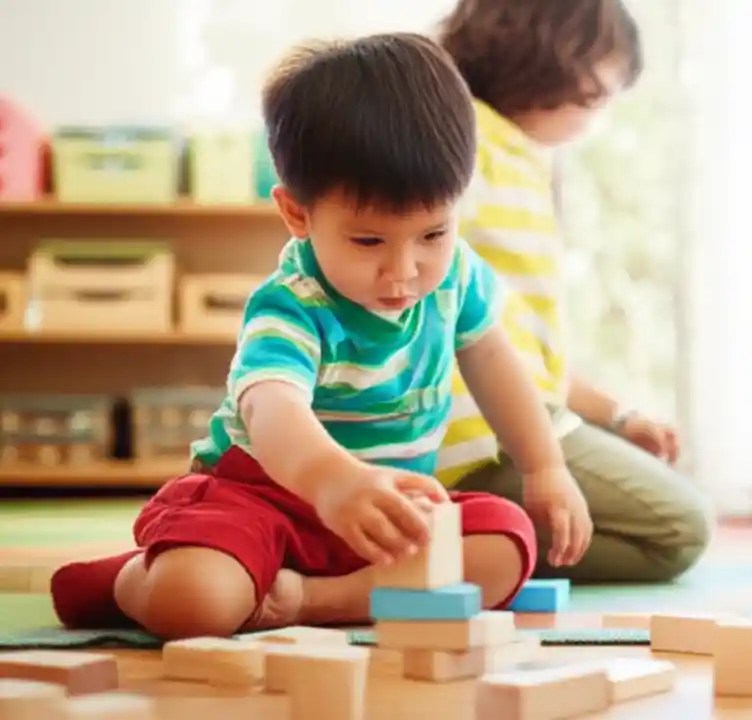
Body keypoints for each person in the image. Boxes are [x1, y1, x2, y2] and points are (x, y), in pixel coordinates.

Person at [48, 33, 590, 639]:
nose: (404, 271)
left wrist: (544, 466)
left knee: (504, 543)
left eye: (433, 234)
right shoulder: (292, 305)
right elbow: (273, 409)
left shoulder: (455, 276)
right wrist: (335, 484)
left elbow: (492, 357)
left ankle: (312, 600)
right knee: (193, 604)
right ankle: (130, 582)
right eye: (368, 242)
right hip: (262, 498)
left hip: (383, 515)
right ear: (297, 214)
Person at [435, 0, 712, 583]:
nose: (599, 112)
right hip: (476, 437)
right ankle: (436, 539)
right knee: (678, 529)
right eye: (597, 94)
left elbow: (519, 355)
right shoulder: (462, 137)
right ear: (553, 56)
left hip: (511, 421)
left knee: (660, 513)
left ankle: (455, 534)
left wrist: (620, 414)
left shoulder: (519, 159)